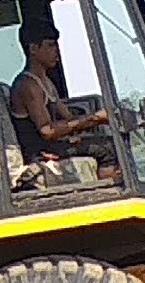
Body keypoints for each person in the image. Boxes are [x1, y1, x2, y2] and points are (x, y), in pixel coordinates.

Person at [9, 21, 119, 180]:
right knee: (106, 149)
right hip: (41, 152)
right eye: (50, 46)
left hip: (53, 145)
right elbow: (47, 131)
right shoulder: (28, 85)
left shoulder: (45, 82)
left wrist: (97, 120)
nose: (57, 51)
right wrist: (94, 118)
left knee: (110, 141)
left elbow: (69, 119)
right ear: (33, 49)